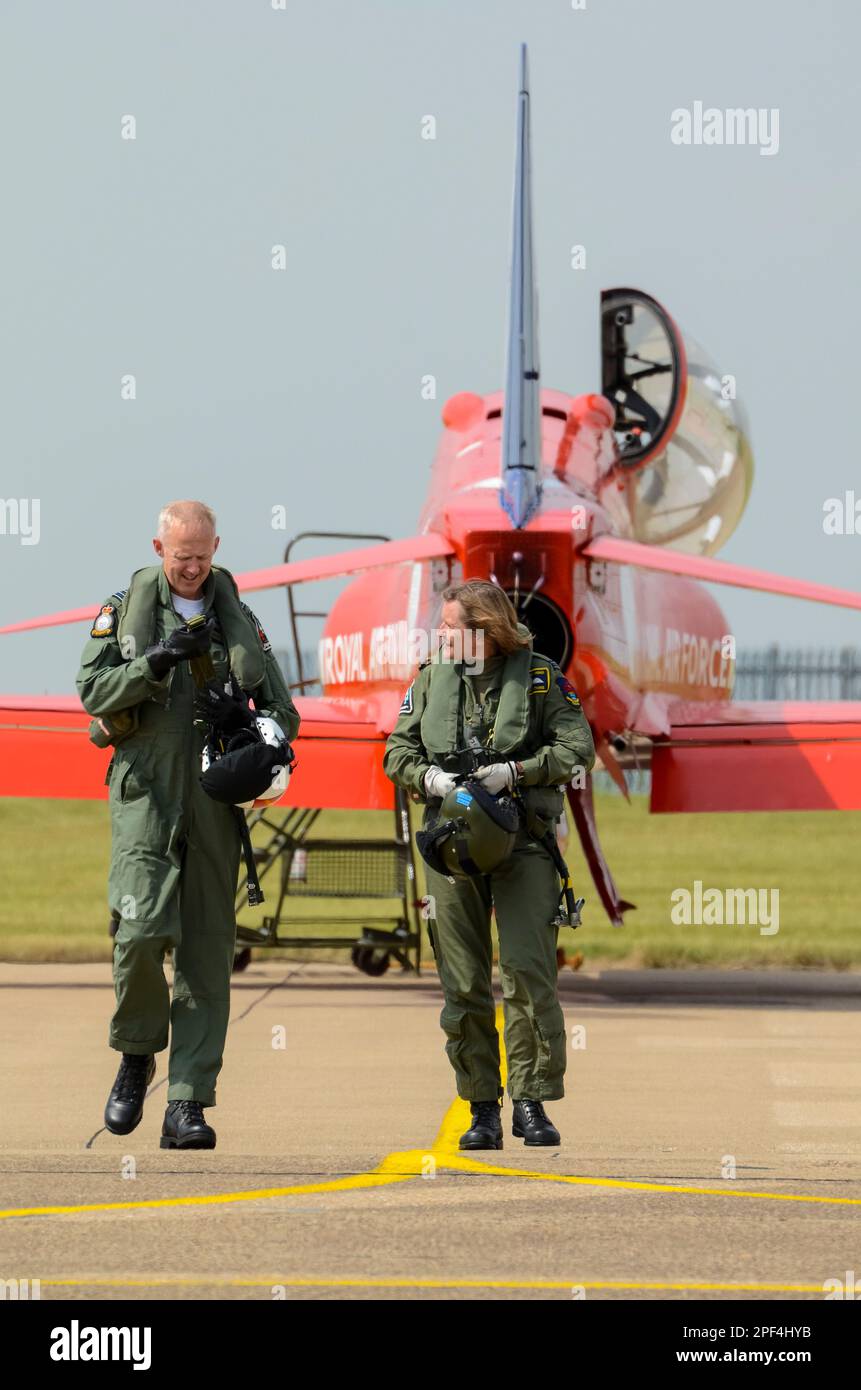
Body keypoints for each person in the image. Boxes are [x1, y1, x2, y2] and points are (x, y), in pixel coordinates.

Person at [76, 500, 300, 1150]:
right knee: (140, 933)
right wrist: (156, 661)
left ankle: (187, 1103)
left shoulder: (239, 620)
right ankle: (137, 1053)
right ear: (159, 548)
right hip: (145, 797)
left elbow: (283, 712)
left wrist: (253, 729)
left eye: (204, 555)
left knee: (206, 951)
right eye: (182, 557)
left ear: (216, 547)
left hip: (212, 802)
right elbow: (91, 693)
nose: (194, 568)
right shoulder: (122, 614)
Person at [383, 580, 595, 1149]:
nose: (441, 635)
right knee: (463, 982)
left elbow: (579, 749)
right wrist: (428, 777)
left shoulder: (542, 678)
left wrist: (517, 773)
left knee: (528, 972)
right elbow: (396, 751)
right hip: (452, 848)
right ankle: (481, 1107)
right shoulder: (430, 680)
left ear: (485, 630)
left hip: (524, 844)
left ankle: (530, 1102)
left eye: (451, 627)